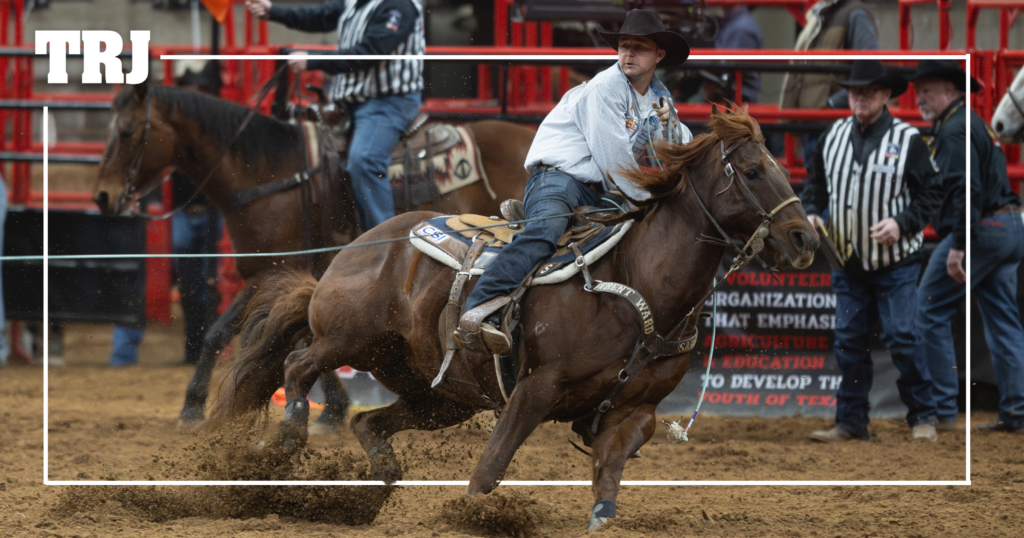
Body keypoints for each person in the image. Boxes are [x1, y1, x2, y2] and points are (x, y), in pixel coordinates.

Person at [454, 9, 692, 354]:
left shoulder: (658, 99)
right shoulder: (604, 88)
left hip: (600, 192)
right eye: (624, 46)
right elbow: (615, 162)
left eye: (639, 48)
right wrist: (649, 202)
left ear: (659, 55)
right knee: (544, 233)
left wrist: (672, 126)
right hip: (559, 180)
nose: (628, 54)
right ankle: (478, 308)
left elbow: (676, 150)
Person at [800, 60, 943, 443]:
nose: (859, 97)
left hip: (895, 261)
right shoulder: (832, 137)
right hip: (847, 260)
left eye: (867, 91)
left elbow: (932, 191)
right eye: (853, 91)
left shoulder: (909, 139)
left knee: (902, 335)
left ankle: (923, 415)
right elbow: (814, 186)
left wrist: (903, 222)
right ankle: (851, 422)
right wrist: (812, 212)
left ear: (884, 95)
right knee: (849, 340)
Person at [245, 0, 424, 232]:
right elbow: (320, 15)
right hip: (350, 103)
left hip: (388, 102)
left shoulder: (399, 6)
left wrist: (312, 60)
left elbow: (370, 52)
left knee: (364, 161)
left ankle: (385, 240)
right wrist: (273, 11)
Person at [914, 60, 1024, 434]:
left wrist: (958, 245)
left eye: (927, 90)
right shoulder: (971, 123)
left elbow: (966, 190)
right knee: (1003, 321)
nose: (919, 98)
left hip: (983, 229)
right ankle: (1016, 411)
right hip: (1008, 225)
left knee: (927, 309)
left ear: (951, 90)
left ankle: (944, 410)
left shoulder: (953, 129)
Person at [109, 64, 224, 367]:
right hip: (177, 214)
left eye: (201, 88)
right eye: (191, 87)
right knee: (157, 278)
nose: (196, 93)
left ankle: (196, 353)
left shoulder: (216, 123)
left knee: (200, 285)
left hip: (204, 213)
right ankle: (125, 354)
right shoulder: (165, 121)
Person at [781, 0, 878, 179]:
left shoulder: (853, 14)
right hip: (816, 123)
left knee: (826, 195)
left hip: (832, 125)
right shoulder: (827, 13)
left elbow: (869, 68)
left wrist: (833, 104)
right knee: (818, 194)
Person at [713, 5, 763, 104]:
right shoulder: (729, 23)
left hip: (733, 105)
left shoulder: (742, 28)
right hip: (726, 102)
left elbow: (729, 68)